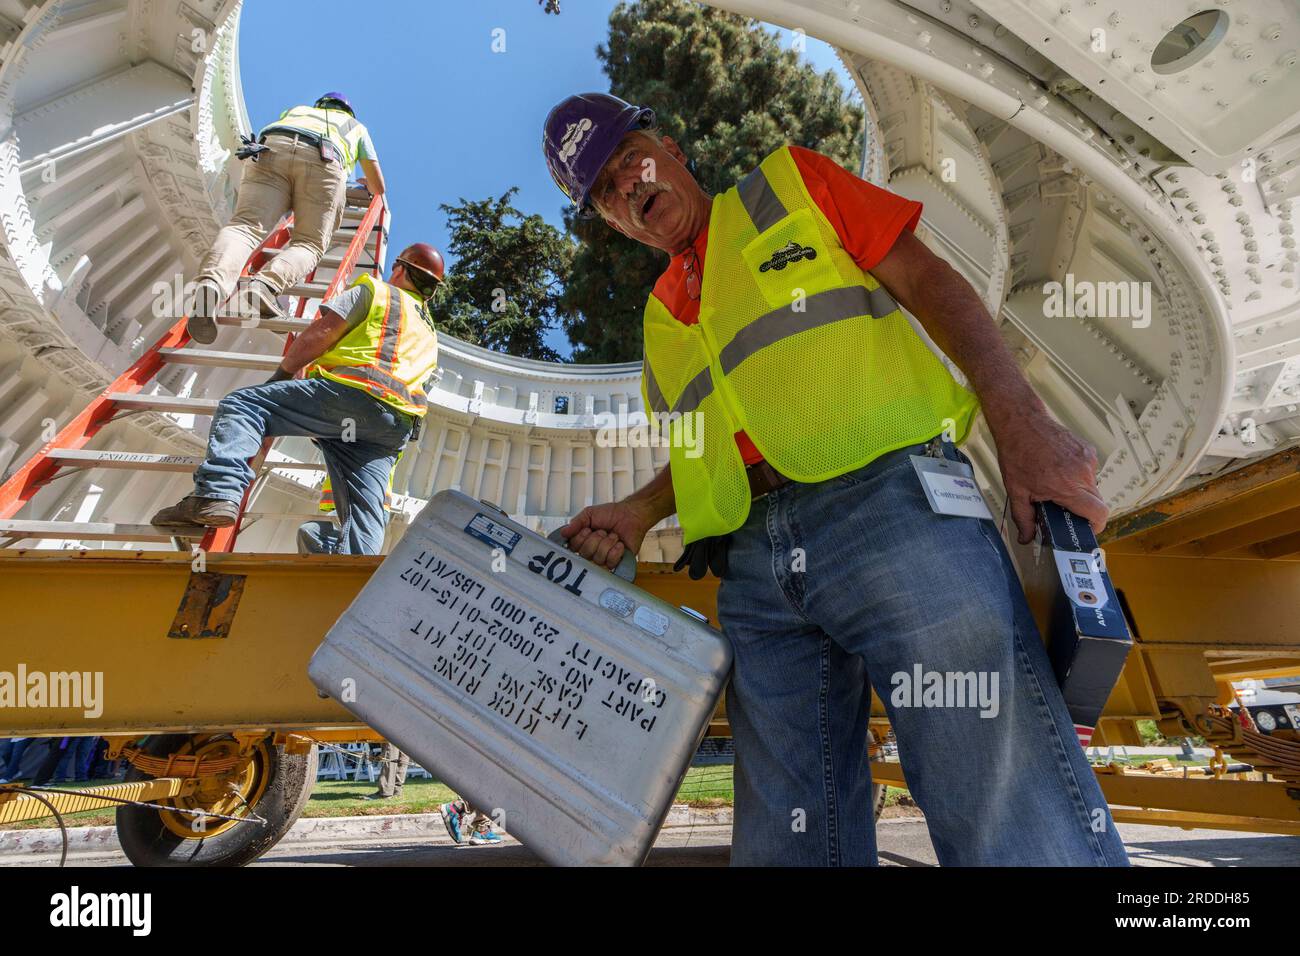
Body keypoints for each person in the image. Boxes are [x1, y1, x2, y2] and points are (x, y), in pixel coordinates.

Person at [542, 93, 1130, 867]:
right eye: (605, 193)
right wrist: (638, 509)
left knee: (990, 777)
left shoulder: (789, 186)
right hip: (755, 570)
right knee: (787, 828)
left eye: (629, 158)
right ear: (612, 222)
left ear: (672, 145)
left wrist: (1019, 419)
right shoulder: (659, 318)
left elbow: (929, 285)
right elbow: (704, 445)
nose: (628, 188)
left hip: (892, 506)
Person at [150, 243, 444, 556]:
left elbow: (322, 333)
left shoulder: (377, 291)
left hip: (356, 396)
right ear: (430, 291)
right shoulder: (429, 332)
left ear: (399, 268)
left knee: (244, 405)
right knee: (364, 514)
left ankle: (216, 493)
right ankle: (350, 580)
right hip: (394, 428)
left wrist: (281, 376)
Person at [186, 92, 387, 344]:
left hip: (269, 149)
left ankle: (212, 284)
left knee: (245, 227)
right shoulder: (355, 127)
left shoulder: (298, 110)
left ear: (320, 105)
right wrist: (365, 183)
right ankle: (265, 286)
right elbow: (378, 186)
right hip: (325, 160)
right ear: (348, 112)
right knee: (309, 243)